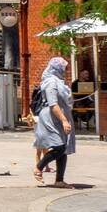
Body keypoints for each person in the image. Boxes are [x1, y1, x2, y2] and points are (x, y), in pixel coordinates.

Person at [33, 56, 76, 187]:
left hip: (60, 116)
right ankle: (38, 168)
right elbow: (53, 104)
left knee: (63, 148)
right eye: (64, 68)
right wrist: (64, 120)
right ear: (57, 68)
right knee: (59, 147)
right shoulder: (51, 82)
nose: (66, 71)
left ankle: (59, 180)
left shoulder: (59, 81)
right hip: (52, 117)